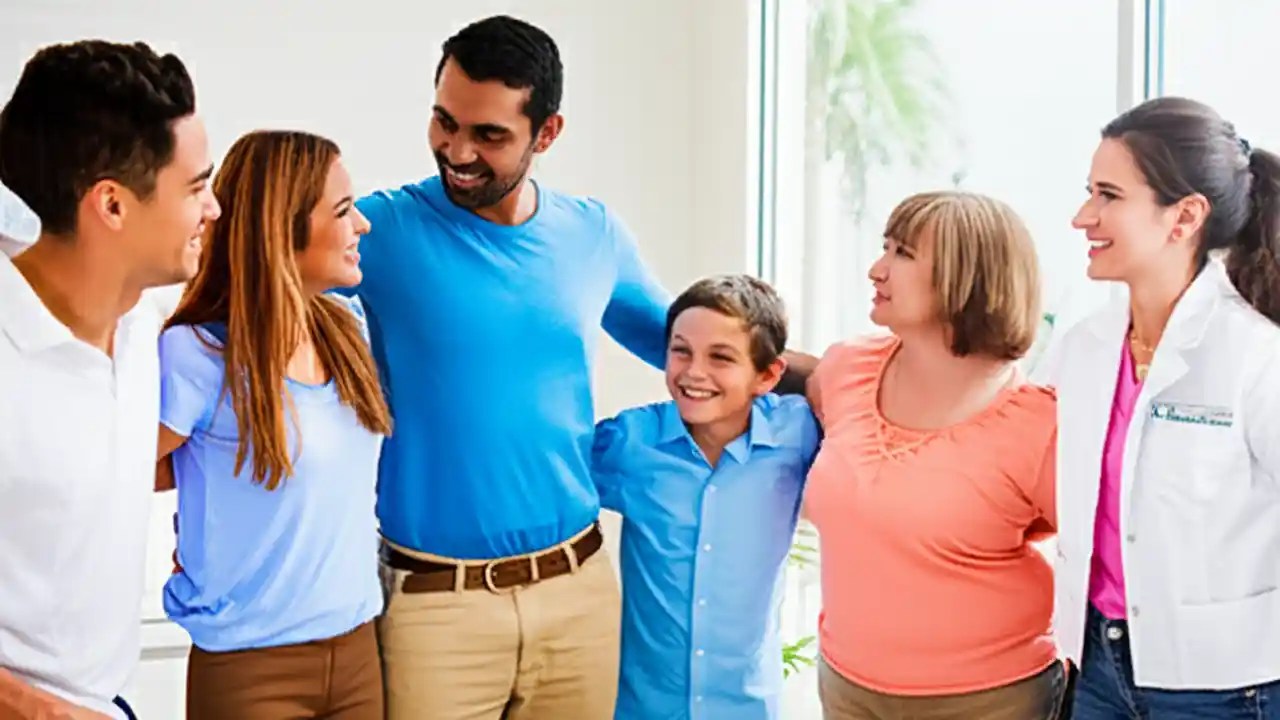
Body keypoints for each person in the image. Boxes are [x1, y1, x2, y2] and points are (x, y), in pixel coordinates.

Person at [351, 14, 668, 719]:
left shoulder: (592, 234)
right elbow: (258, 287)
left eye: (488, 135)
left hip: (579, 592)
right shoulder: (380, 230)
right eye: (444, 122)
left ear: (546, 133)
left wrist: (831, 376)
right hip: (436, 610)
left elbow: (692, 344)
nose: (457, 151)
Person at [0, 40, 219, 720]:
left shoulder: (144, 324)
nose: (213, 210)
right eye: (196, 188)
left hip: (106, 699)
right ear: (112, 205)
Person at [1054, 96, 1280, 718]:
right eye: (1089, 193)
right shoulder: (1083, 348)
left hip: (1226, 686)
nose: (1083, 217)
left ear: (1185, 216)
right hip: (1097, 667)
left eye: (1108, 196)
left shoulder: (1257, 356)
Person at [154, 130, 389, 720]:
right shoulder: (197, 355)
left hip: (358, 651)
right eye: (343, 210)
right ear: (282, 228)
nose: (362, 225)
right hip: (250, 668)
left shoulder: (347, 327)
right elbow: (110, 476)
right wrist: (203, 533)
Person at [803, 191, 1065, 719]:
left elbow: (1101, 562)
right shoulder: (844, 370)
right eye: (885, 248)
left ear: (965, 278)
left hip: (989, 699)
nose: (877, 269)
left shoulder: (1040, 424)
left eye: (902, 254)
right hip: (847, 687)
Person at [591, 274, 819, 720]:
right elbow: (545, 473)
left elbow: (863, 385)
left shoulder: (797, 435)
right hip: (643, 709)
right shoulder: (631, 443)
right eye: (681, 351)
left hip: (749, 708)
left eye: (721, 357)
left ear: (768, 375)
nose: (694, 372)